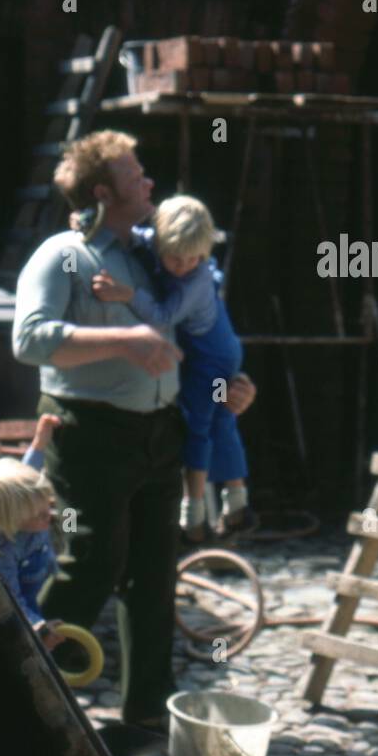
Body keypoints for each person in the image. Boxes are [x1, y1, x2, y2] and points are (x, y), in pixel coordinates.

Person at [12, 130, 256, 731]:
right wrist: (125, 338)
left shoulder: (158, 256)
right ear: (102, 190)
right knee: (91, 563)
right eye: (135, 173)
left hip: (162, 432)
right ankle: (21, 702)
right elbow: (29, 339)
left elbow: (198, 338)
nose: (149, 181)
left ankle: (146, 714)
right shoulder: (63, 255)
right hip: (89, 432)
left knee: (154, 574)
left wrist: (229, 390)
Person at [89, 194, 255, 544]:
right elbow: (139, 238)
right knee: (222, 420)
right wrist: (90, 220)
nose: (182, 266)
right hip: (220, 354)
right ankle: (237, 506)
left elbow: (164, 315)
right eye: (174, 258)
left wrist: (126, 294)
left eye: (193, 259)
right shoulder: (159, 245)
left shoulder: (195, 281)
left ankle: (193, 514)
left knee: (199, 424)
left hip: (213, 362)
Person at [0, 413, 65, 650]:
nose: (47, 515)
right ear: (9, 521)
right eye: (38, 514)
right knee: (35, 644)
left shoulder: (32, 509)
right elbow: (13, 600)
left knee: (70, 514)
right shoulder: (2, 551)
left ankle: (68, 550)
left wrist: (40, 441)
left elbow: (29, 469)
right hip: (27, 595)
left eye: (47, 505)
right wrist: (37, 626)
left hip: (49, 553)